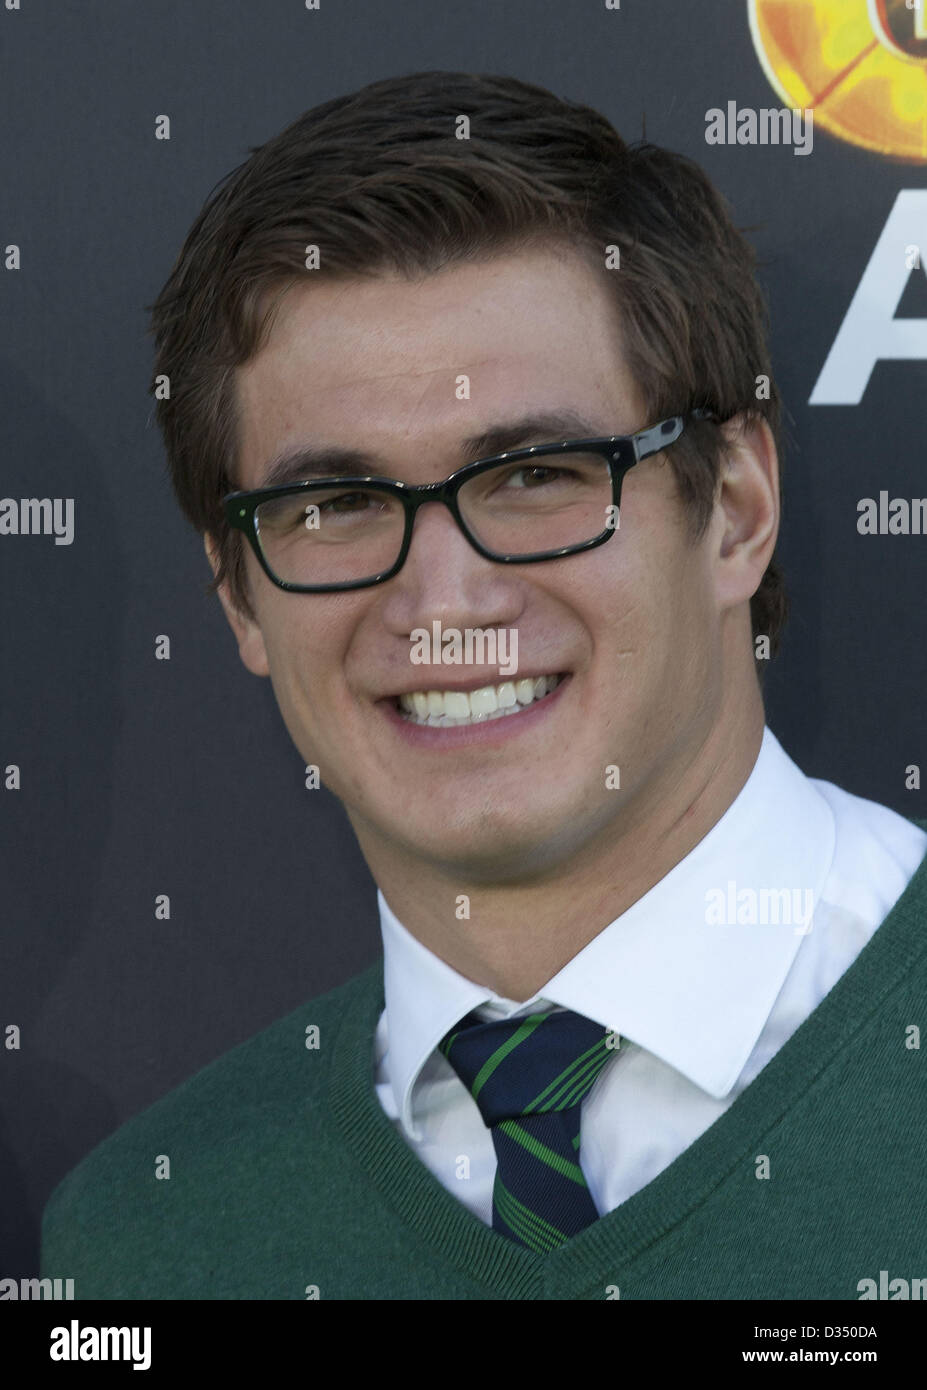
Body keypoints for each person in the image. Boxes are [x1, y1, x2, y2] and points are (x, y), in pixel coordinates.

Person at [41, 71, 927, 1301]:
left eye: (535, 476)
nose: (446, 604)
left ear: (734, 510)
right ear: (240, 596)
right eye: (336, 504)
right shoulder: (145, 1241)